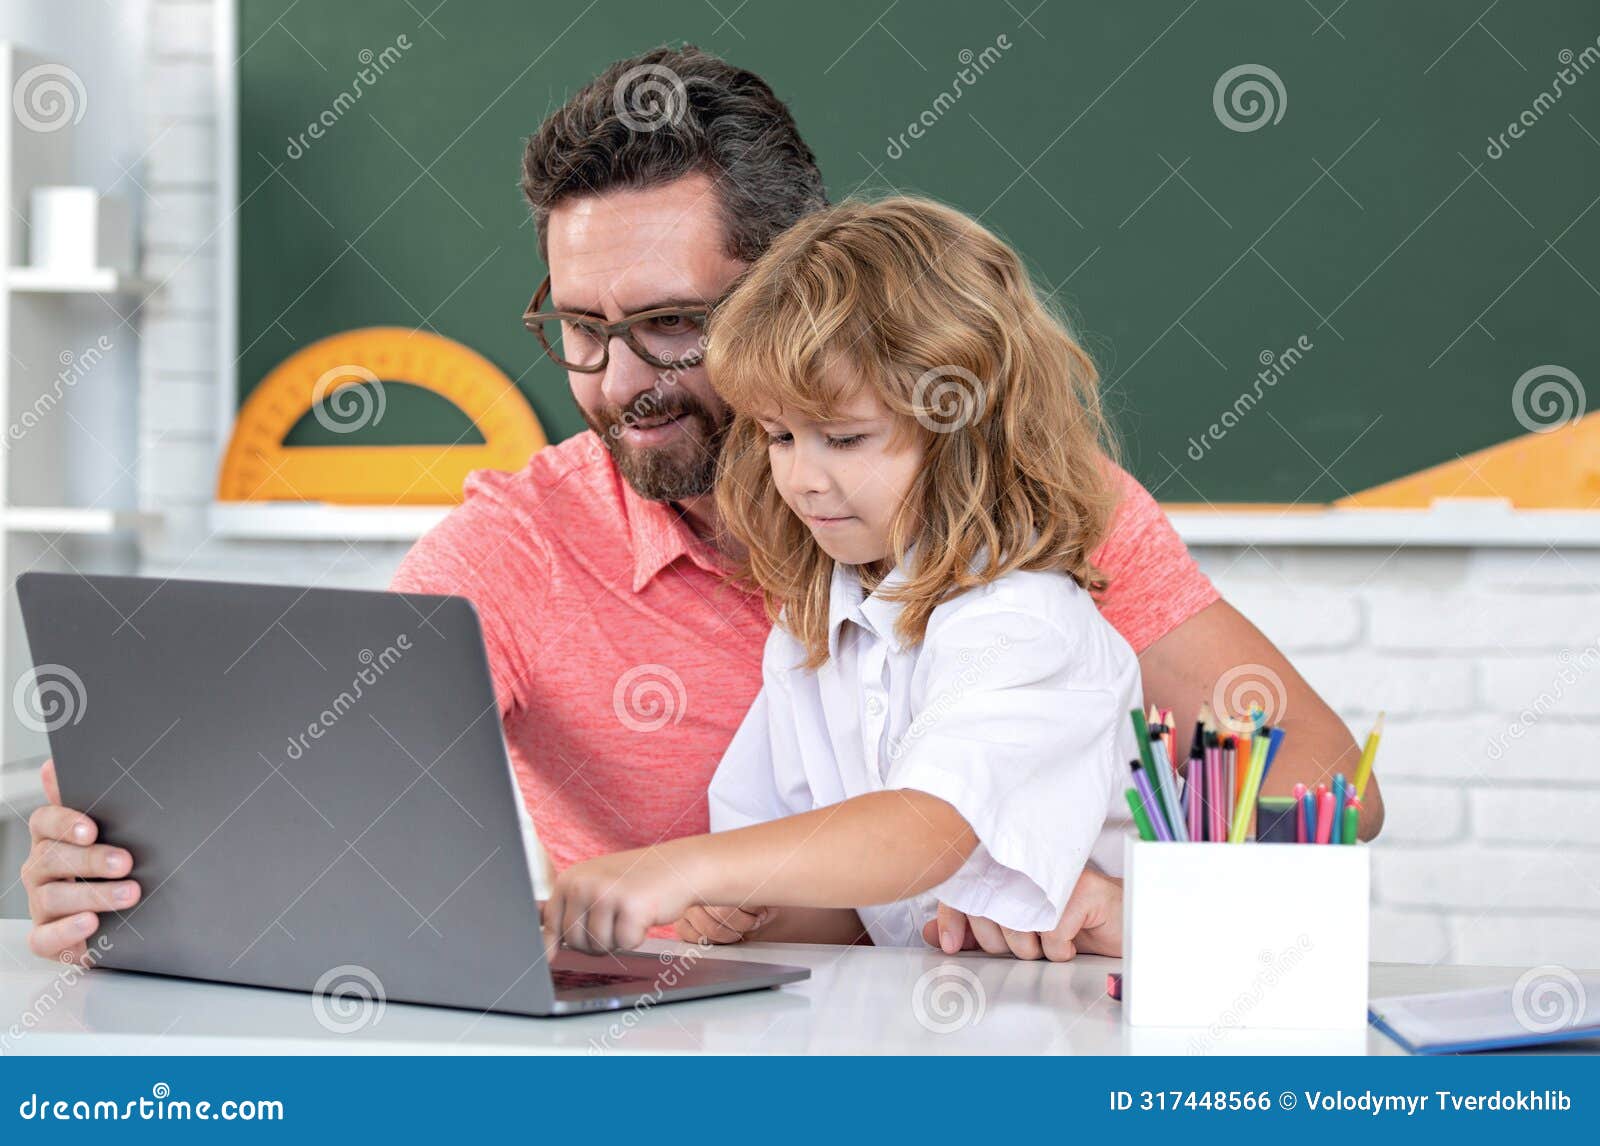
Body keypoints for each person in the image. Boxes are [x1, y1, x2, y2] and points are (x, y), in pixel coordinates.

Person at [22, 44, 1381, 967]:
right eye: (579, 328)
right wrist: (124, 854)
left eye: (674, 325)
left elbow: (1324, 787)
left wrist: (1103, 901)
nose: (618, 384)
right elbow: (322, 762)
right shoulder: (528, 539)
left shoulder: (1024, 508)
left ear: (800, 289)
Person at [544, 196, 1144, 955]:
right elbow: (843, 899)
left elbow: (921, 834)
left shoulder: (1022, 621)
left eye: (846, 438)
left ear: (966, 429)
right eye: (780, 437)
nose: (803, 479)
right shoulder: (818, 629)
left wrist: (681, 865)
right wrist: (748, 906)